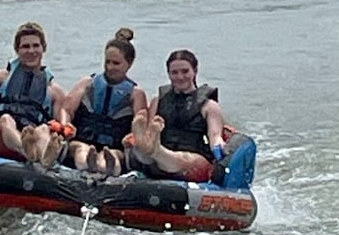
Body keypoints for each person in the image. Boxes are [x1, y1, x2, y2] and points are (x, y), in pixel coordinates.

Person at [0, 22, 67, 164]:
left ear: (43, 48)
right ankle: (26, 150)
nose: (31, 51)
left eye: (36, 46)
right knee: (7, 119)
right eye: (25, 46)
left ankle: (44, 158)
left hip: (32, 132)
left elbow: (61, 124)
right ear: (16, 50)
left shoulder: (55, 91)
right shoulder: (1, 76)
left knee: (43, 129)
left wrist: (64, 128)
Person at [125, 48, 227, 182]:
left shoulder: (209, 106)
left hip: (195, 161)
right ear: (168, 74)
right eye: (174, 72)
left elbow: (215, 136)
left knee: (176, 158)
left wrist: (220, 148)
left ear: (195, 71)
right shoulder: (159, 101)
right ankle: (146, 148)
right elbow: (150, 129)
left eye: (185, 71)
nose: (180, 77)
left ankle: (155, 150)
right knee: (145, 150)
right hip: (159, 161)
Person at [60, 28, 149, 178]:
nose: (110, 67)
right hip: (82, 140)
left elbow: (140, 123)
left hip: (115, 146)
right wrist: (66, 125)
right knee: (82, 150)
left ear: (129, 63)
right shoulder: (88, 83)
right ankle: (88, 164)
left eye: (116, 63)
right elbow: (66, 109)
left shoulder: (136, 94)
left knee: (112, 155)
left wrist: (133, 137)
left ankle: (105, 167)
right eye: (107, 62)